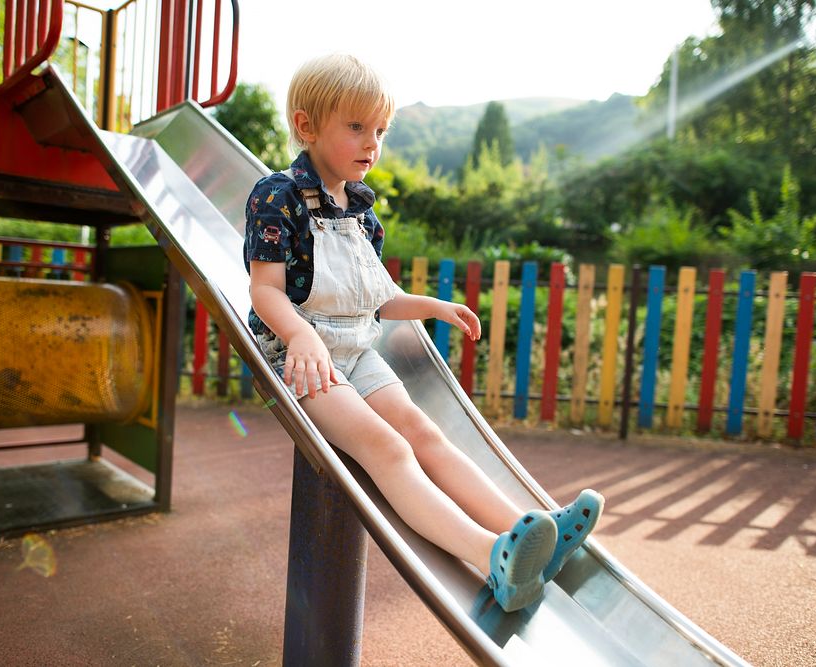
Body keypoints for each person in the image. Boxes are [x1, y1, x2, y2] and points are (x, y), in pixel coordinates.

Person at [243, 53, 603, 613]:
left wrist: (432, 306)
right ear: (307, 126)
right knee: (386, 446)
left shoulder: (362, 212)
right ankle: (491, 557)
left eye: (380, 130)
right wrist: (300, 338)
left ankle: (533, 536)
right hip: (300, 357)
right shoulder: (277, 196)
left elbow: (376, 298)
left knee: (424, 432)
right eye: (357, 127)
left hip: (355, 351)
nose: (372, 143)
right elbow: (264, 291)